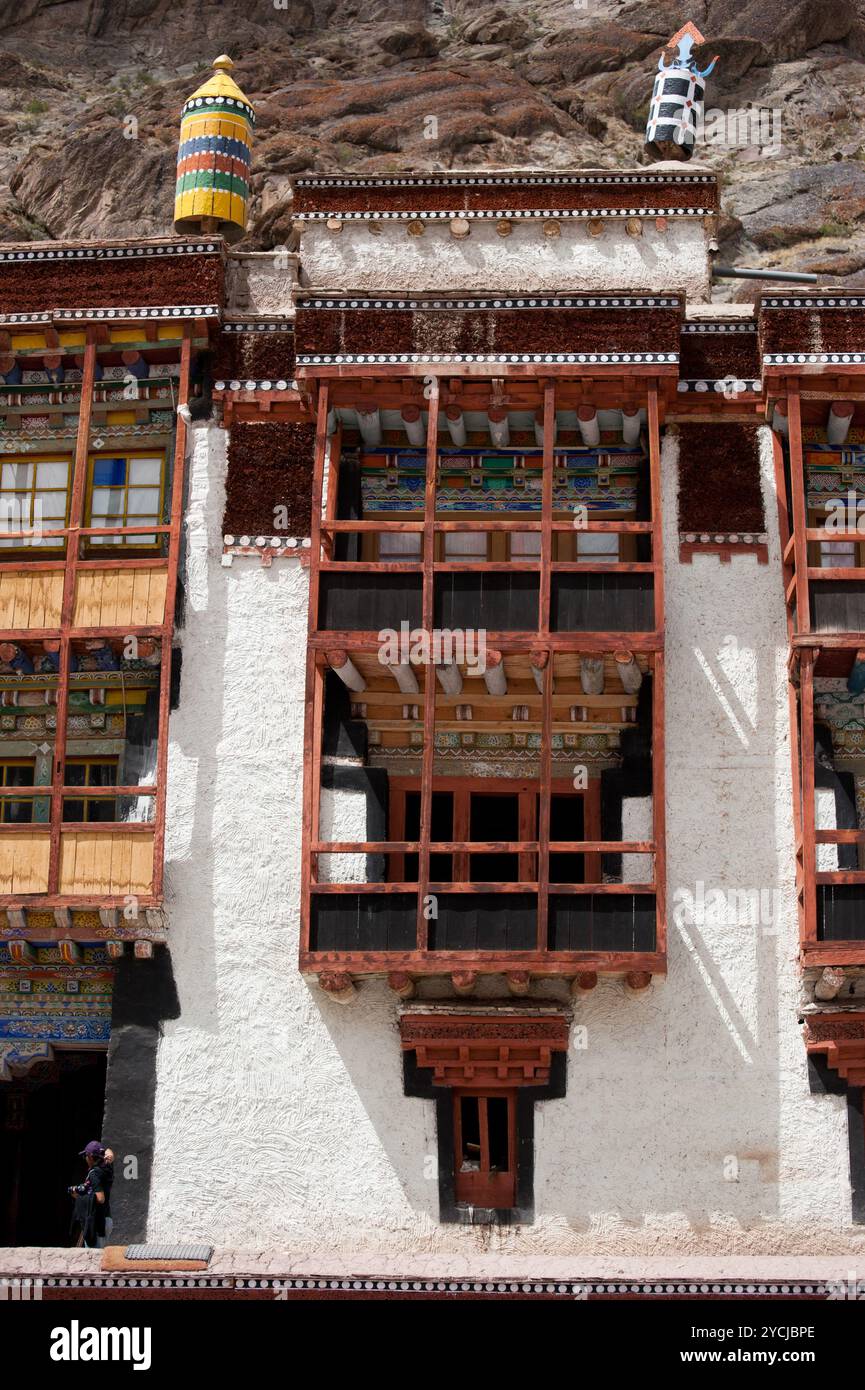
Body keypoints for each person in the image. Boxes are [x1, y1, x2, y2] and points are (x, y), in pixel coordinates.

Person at [68, 1141, 114, 1249]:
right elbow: (109, 1151)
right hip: (106, 1220)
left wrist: (80, 1196)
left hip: (96, 1223)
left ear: (90, 1157)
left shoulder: (94, 1173)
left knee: (94, 1260)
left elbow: (100, 1198)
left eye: (85, 1156)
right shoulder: (108, 1168)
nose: (85, 1159)